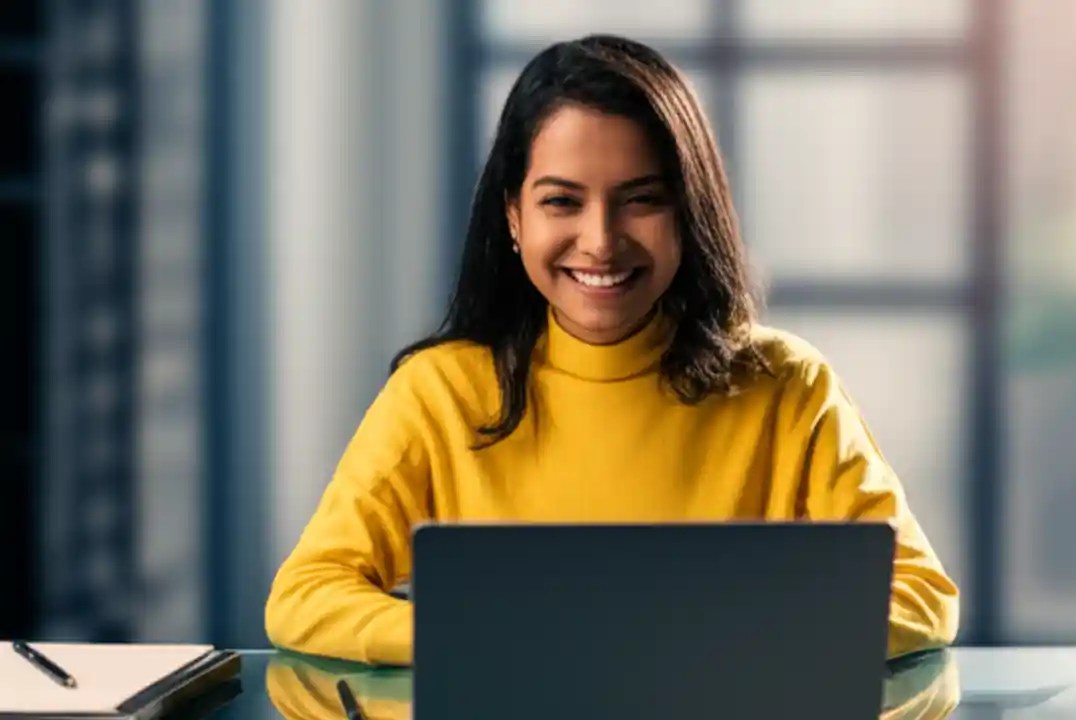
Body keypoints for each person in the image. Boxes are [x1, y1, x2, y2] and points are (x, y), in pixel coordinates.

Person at [265, 34, 958, 665]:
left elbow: (921, 594)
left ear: (689, 212)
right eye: (562, 202)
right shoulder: (437, 393)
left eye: (641, 200)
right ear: (513, 216)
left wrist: (727, 634)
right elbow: (305, 596)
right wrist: (485, 638)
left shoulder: (786, 386)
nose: (600, 241)